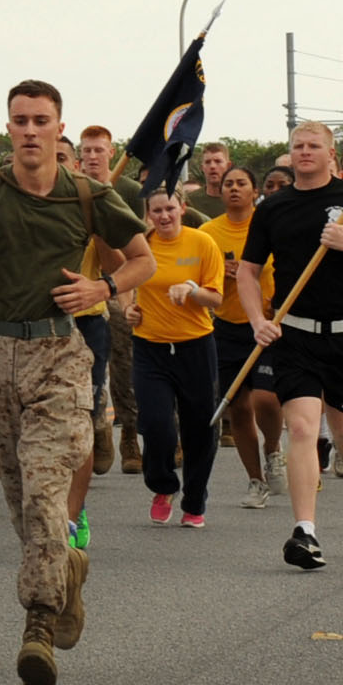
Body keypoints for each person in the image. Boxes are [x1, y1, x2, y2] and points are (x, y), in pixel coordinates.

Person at [0, 80, 153, 685]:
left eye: (41, 120)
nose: (29, 130)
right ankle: (67, 570)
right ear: (9, 127)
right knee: (24, 500)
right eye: (20, 120)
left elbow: (142, 260)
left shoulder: (88, 194)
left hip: (58, 355)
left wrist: (102, 290)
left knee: (48, 494)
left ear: (60, 129)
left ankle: (38, 626)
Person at [234, 122, 343, 569]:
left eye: (314, 146)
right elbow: (248, 271)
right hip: (295, 334)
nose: (305, 152)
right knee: (304, 428)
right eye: (297, 146)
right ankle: (305, 532)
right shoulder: (273, 207)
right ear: (289, 155)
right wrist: (258, 321)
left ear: (331, 155)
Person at [128, 185, 227, 528]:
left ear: (183, 208)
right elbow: (126, 280)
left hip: (195, 346)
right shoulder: (143, 243)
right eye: (156, 211)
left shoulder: (202, 243)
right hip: (150, 347)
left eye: (170, 208)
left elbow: (216, 299)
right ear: (148, 215)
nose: (164, 216)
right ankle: (163, 485)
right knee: (156, 425)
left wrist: (191, 290)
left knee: (200, 428)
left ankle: (195, 499)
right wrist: (128, 308)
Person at [200, 163, 280, 507]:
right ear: (219, 191)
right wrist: (222, 275)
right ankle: (255, 480)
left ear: (254, 190)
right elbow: (199, 278)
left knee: (266, 398)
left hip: (267, 324)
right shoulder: (208, 233)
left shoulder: (270, 224)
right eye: (228, 183)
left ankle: (274, 450)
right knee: (239, 408)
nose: (234, 188)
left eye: (241, 183)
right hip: (227, 327)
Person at [76, 125, 148, 486]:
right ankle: (97, 429)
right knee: (91, 377)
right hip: (83, 290)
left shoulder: (129, 192)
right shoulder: (73, 189)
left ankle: (130, 435)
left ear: (111, 152)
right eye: (85, 150)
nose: (91, 157)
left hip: (122, 287)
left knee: (124, 366)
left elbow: (134, 253)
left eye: (98, 151)